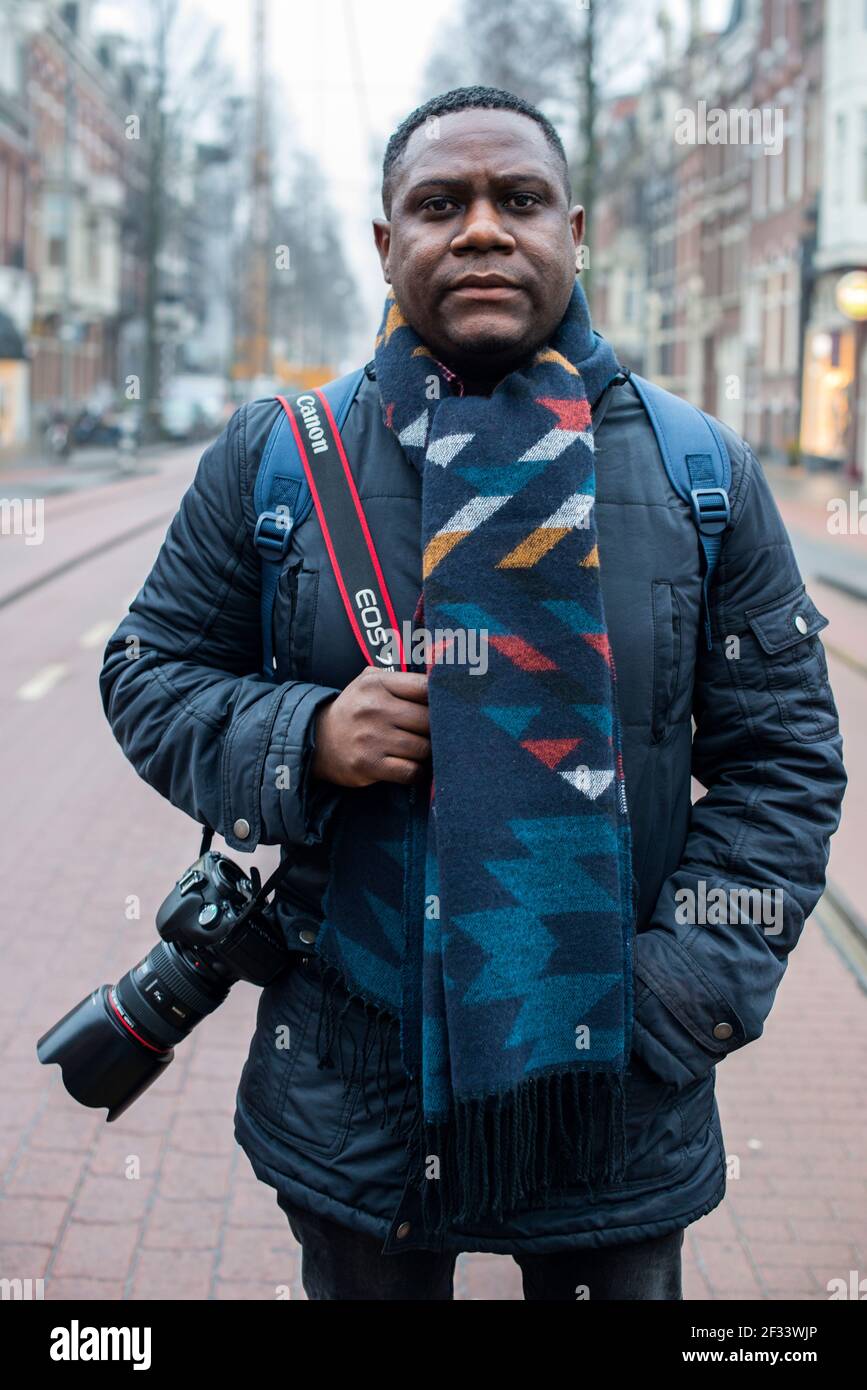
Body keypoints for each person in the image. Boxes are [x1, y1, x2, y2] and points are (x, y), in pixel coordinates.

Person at [100, 87, 846, 1301]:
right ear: (386, 245)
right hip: (357, 1086)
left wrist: (677, 997)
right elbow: (145, 672)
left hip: (617, 1092)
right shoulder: (275, 458)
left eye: (522, 200)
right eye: (441, 204)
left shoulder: (699, 471)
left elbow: (787, 764)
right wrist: (305, 737)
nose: (485, 230)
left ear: (575, 229)